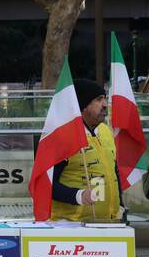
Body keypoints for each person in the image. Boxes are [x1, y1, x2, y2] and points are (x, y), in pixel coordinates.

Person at [49, 77, 122, 223]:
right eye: (98, 99)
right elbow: (46, 184)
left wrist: (121, 205)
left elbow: (112, 173)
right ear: (82, 105)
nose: (105, 105)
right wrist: (78, 195)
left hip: (108, 223)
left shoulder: (106, 131)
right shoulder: (62, 136)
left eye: (105, 99)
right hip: (72, 225)